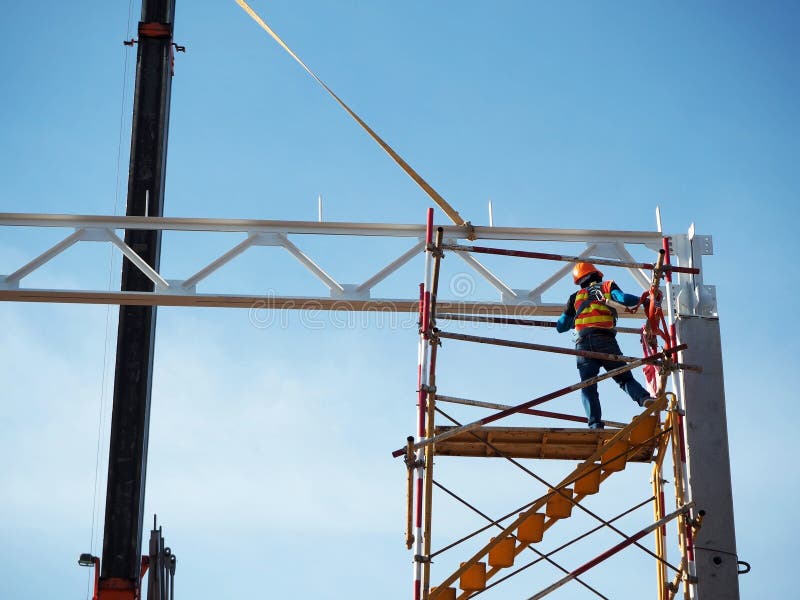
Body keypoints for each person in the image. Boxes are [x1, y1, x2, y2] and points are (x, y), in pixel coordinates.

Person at [556, 262, 655, 430]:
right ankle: (644, 398)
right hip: (605, 340)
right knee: (624, 378)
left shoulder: (575, 297)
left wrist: (573, 320)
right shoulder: (607, 286)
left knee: (588, 385)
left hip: (583, 345)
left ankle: (595, 424)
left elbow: (561, 327)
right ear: (597, 274)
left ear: (580, 281)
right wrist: (643, 300)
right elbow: (624, 300)